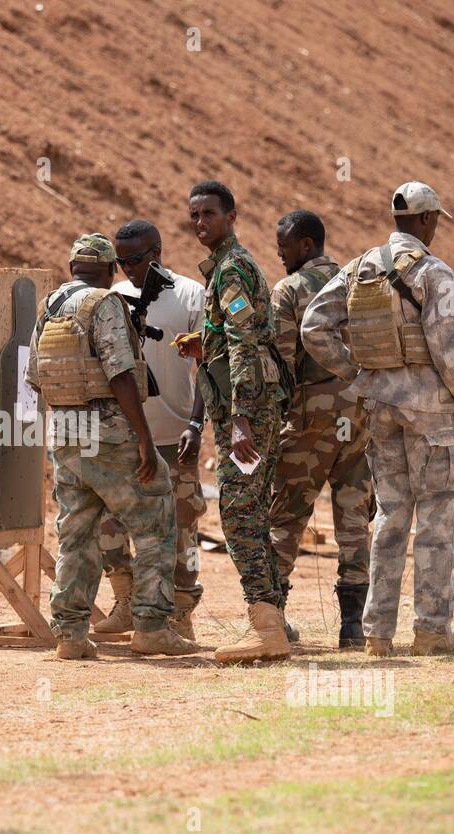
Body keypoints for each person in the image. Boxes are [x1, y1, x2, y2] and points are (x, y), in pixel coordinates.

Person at [301, 181, 454, 657]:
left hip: (380, 408)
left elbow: (313, 326)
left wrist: (359, 372)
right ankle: (431, 629)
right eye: (437, 220)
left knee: (389, 516)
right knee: (437, 518)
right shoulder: (433, 272)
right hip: (432, 413)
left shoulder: (362, 267)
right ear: (426, 221)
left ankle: (378, 632)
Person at [26, 233, 197, 660]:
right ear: (108, 271)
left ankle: (70, 634)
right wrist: (143, 438)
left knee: (76, 532)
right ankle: (153, 626)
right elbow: (120, 372)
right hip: (108, 430)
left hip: (65, 433)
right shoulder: (103, 303)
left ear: (71, 269)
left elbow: (34, 375)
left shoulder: (50, 307)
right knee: (156, 517)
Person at [176, 181, 292, 664]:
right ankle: (272, 622)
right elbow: (236, 338)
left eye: (209, 214)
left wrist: (241, 419)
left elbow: (246, 343)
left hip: (247, 410)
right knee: (254, 512)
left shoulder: (232, 269)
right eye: (194, 215)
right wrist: (205, 346)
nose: (200, 223)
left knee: (240, 512)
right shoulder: (223, 269)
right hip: (246, 405)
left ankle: (266, 626)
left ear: (231, 216)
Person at [91, 219, 208, 642]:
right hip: (124, 435)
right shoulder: (114, 298)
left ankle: (179, 613)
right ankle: (125, 602)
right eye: (120, 262)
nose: (128, 270)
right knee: (110, 522)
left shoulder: (191, 294)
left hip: (174, 432)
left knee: (181, 528)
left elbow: (209, 366)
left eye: (136, 260)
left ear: (157, 251)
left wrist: (195, 425)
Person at [268, 210, 373, 650]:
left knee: (286, 516)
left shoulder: (290, 290)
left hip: (310, 416)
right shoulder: (358, 283)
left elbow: (281, 361)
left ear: (306, 245)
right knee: (354, 517)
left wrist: (274, 421)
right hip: (360, 413)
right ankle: (353, 626)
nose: (279, 253)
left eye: (285, 245)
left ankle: (271, 617)